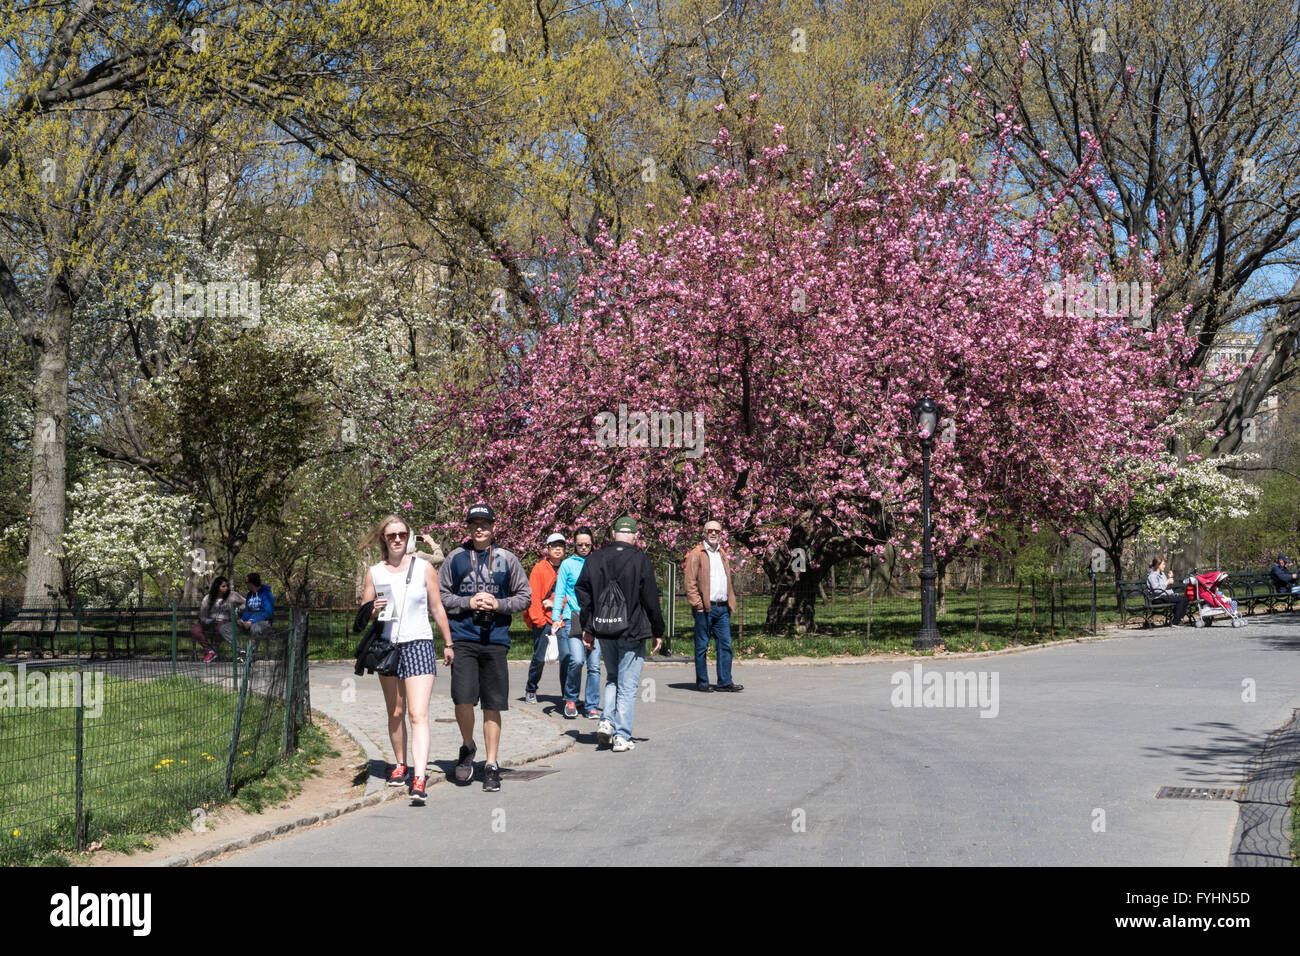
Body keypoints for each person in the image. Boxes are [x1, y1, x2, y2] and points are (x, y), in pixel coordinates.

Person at [359, 514, 453, 805]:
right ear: (384, 540)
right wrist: (372, 608)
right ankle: (400, 763)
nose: (397, 539)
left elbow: (437, 607)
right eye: (391, 535)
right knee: (396, 712)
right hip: (388, 647)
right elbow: (361, 614)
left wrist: (448, 643)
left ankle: (420, 777)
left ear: (408, 537)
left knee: (418, 714)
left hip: (420, 645)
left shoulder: (424, 567)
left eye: (402, 534)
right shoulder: (375, 572)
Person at [438, 503, 531, 792]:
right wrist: (468, 602)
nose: (480, 528)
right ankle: (468, 747)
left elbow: (524, 597)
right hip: (463, 639)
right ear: (468, 526)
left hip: (495, 640)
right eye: (474, 523)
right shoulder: (455, 559)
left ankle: (491, 764)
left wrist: (498, 604)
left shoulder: (507, 558)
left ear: (494, 527)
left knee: (493, 704)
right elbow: (440, 596)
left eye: (485, 523)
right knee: (462, 700)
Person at [575, 516, 664, 752]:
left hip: (604, 628)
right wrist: (658, 630)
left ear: (613, 534)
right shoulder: (639, 559)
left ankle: (606, 721)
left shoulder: (595, 558)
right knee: (627, 685)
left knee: (613, 677)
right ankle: (622, 735)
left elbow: (582, 590)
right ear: (635, 536)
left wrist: (588, 625)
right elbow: (651, 599)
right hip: (632, 630)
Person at [683, 519, 744, 692]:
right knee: (702, 646)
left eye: (717, 531)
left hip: (723, 608)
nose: (713, 533)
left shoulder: (722, 553)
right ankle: (702, 682)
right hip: (705, 609)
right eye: (710, 530)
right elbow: (690, 582)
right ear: (704, 532)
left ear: (721, 533)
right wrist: (698, 605)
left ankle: (725, 682)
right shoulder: (697, 553)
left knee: (725, 645)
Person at [553, 527, 600, 718]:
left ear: (592, 544)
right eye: (580, 544)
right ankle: (571, 698)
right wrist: (556, 617)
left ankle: (592, 705)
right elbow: (560, 591)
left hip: (596, 618)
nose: (583, 547)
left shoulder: (598, 562)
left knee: (595, 666)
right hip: (573, 616)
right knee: (577, 660)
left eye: (587, 544)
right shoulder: (567, 564)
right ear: (574, 544)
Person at [524, 533, 567, 710]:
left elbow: (571, 594)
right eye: (554, 545)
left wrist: (558, 601)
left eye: (561, 546)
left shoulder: (567, 567)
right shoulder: (539, 569)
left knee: (567, 657)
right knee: (539, 658)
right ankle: (531, 688)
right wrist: (539, 621)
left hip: (562, 620)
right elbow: (533, 597)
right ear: (547, 549)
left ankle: (568, 695)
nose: (558, 549)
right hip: (543, 619)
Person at [197, 577, 244, 663]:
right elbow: (202, 614)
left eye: (227, 586)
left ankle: (214, 649)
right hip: (209, 622)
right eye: (223, 586)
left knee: (221, 627)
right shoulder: (208, 598)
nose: (226, 588)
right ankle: (210, 651)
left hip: (225, 621)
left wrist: (239, 609)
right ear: (216, 587)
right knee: (195, 630)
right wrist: (207, 621)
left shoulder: (232, 595)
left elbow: (246, 603)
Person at [236, 572, 274, 662]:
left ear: (252, 583)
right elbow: (247, 611)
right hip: (249, 622)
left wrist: (251, 622)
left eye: (246, 583)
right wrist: (242, 620)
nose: (246, 585)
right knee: (226, 629)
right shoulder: (249, 595)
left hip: (264, 622)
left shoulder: (267, 594)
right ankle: (242, 652)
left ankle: (250, 656)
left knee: (255, 628)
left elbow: (268, 613)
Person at [1145, 557, 1189, 626]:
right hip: (1157, 598)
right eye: (1163, 564)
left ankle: (1177, 618)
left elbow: (1167, 588)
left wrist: (1170, 578)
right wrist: (1167, 582)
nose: (1164, 566)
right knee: (1181, 599)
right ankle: (1176, 621)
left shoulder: (1162, 574)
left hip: (1165, 596)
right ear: (1157, 565)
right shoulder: (1152, 576)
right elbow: (1156, 590)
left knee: (1185, 598)